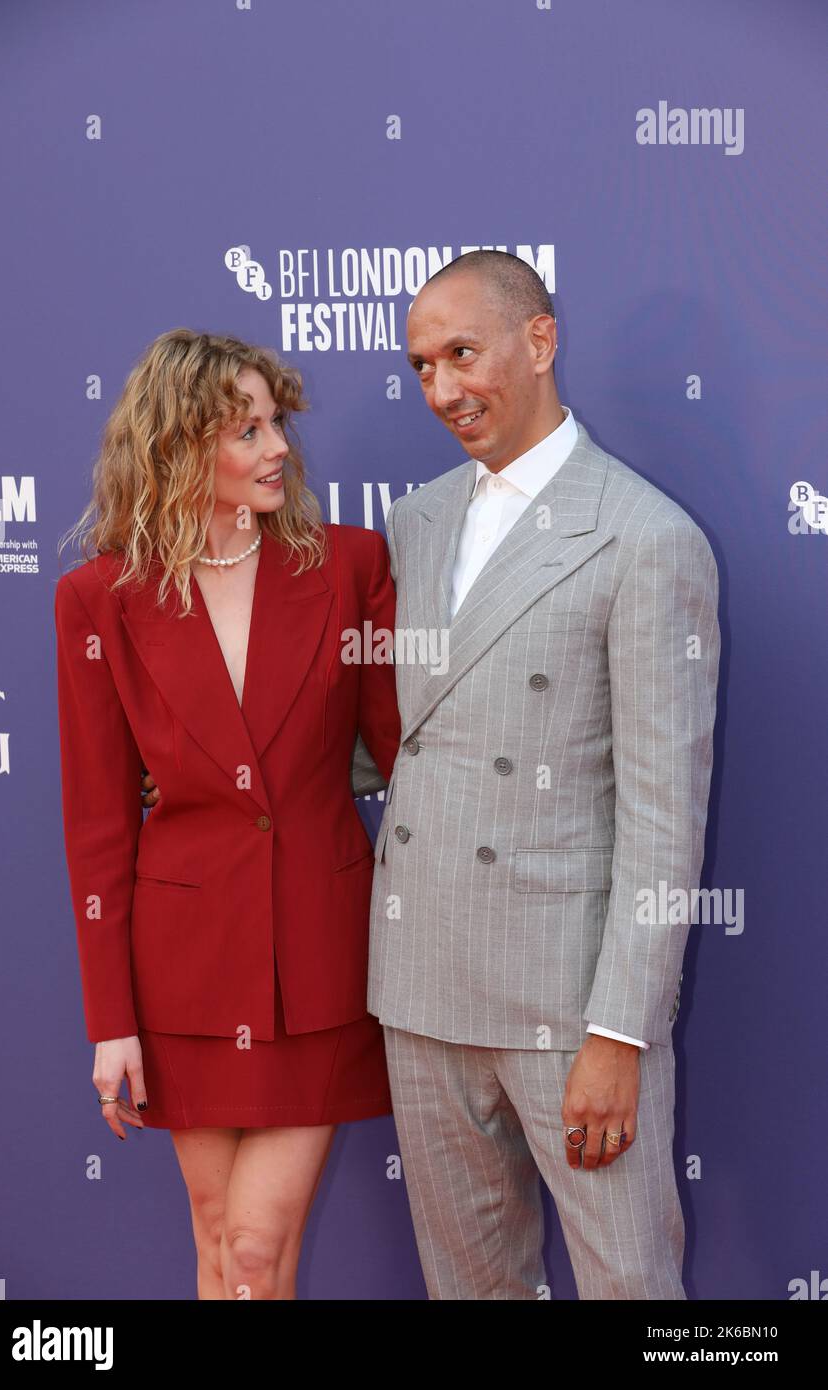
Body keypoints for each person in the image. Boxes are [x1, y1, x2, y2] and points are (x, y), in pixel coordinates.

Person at [367, 250, 721, 1299]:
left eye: (460, 355)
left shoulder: (645, 537)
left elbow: (664, 815)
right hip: (421, 988)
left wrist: (618, 1032)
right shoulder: (415, 521)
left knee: (630, 1289)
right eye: (422, 366)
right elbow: (404, 729)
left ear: (539, 340)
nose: (440, 391)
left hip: (566, 1004)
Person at [54, 328, 400, 1300]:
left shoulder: (349, 567)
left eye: (276, 420)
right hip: (183, 974)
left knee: (252, 1246)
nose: (277, 445)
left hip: (320, 961)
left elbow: (406, 754)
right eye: (244, 430)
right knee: (219, 1240)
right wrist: (110, 1019)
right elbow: (97, 819)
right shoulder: (101, 600)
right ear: (176, 448)